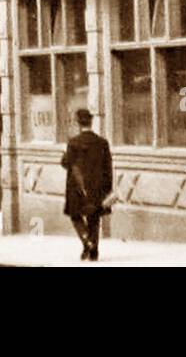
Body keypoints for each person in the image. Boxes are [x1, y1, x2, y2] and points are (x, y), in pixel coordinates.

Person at [61, 108, 113, 262]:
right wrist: (108, 190)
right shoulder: (102, 143)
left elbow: (66, 163)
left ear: (78, 123)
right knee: (94, 218)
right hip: (97, 187)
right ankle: (93, 252)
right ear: (91, 122)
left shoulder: (73, 142)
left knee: (76, 216)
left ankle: (87, 241)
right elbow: (108, 168)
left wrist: (64, 153)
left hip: (78, 187)